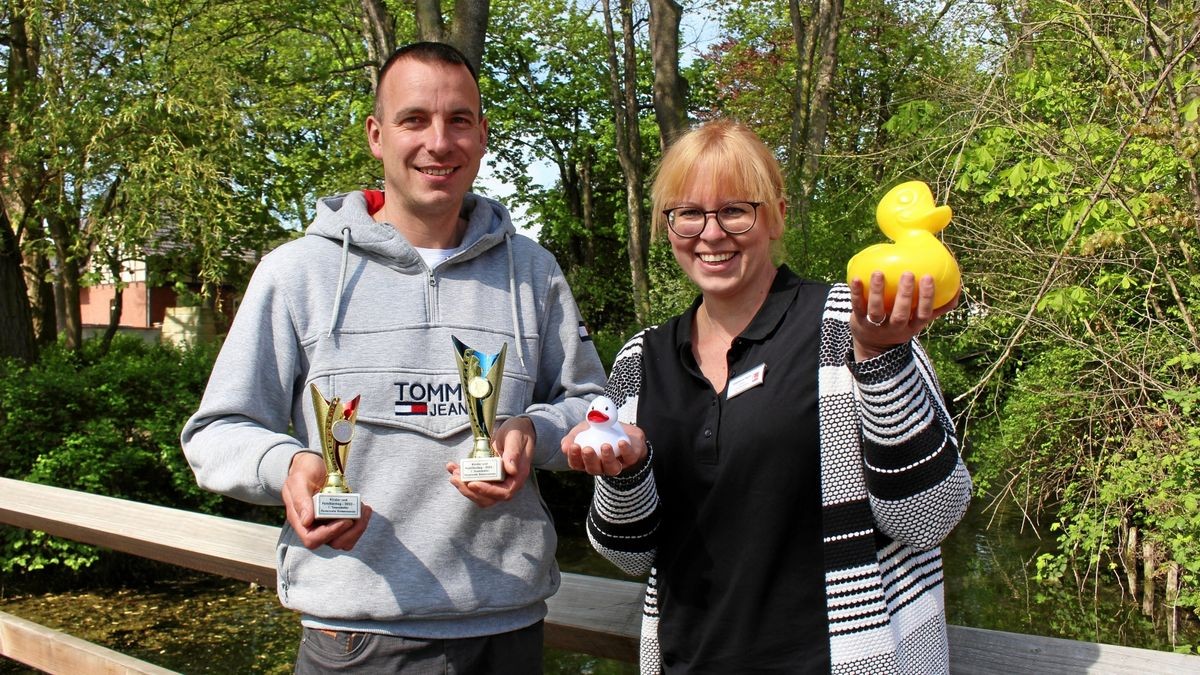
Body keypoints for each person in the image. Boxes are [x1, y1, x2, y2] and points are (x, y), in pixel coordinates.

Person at [182, 41, 606, 673]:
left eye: (459, 120)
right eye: (414, 120)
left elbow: (591, 406)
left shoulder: (533, 273)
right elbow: (216, 433)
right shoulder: (296, 274)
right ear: (377, 136)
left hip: (509, 630)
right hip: (353, 637)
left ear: (482, 135)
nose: (439, 142)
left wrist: (531, 431)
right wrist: (289, 464)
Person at [562, 119, 972, 673]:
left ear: (777, 213)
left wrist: (881, 360)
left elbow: (930, 517)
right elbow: (628, 555)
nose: (710, 234)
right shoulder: (642, 359)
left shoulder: (851, 325)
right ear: (667, 225)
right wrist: (624, 472)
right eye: (688, 213)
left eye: (735, 210)